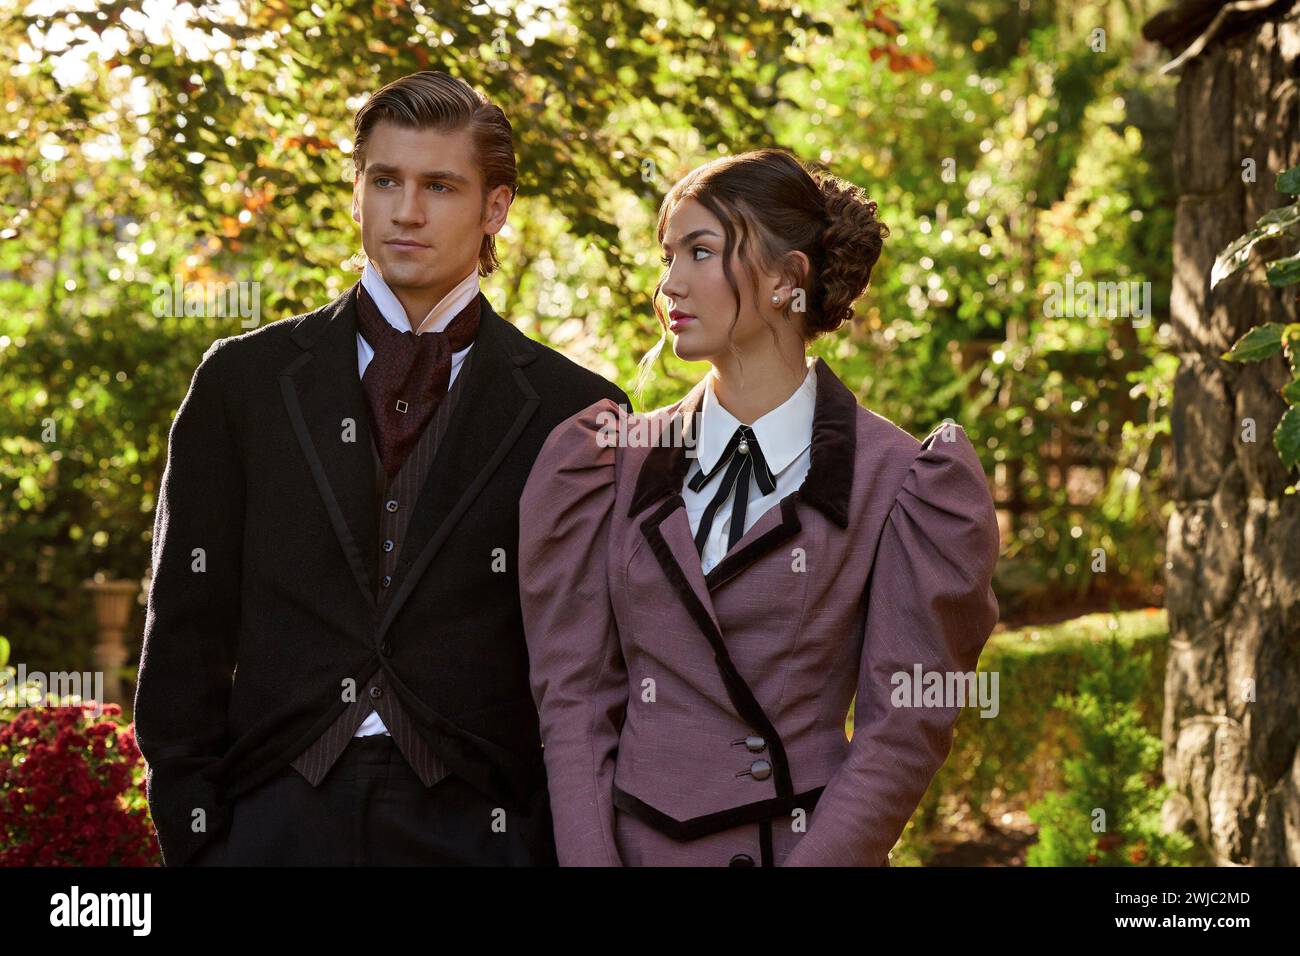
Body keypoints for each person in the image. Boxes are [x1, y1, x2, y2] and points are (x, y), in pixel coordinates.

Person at [133, 71, 628, 866]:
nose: (407, 210)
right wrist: (202, 839)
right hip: (273, 818)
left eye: (440, 185)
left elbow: (593, 660)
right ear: (356, 192)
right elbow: (185, 625)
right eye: (386, 180)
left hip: (483, 826)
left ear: (494, 208)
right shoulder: (242, 383)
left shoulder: (578, 409)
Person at [518, 148, 1000, 866]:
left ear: (787, 280)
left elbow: (902, 733)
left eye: (701, 252)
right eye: (668, 254)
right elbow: (575, 708)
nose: (669, 284)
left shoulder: (901, 482)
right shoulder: (607, 462)